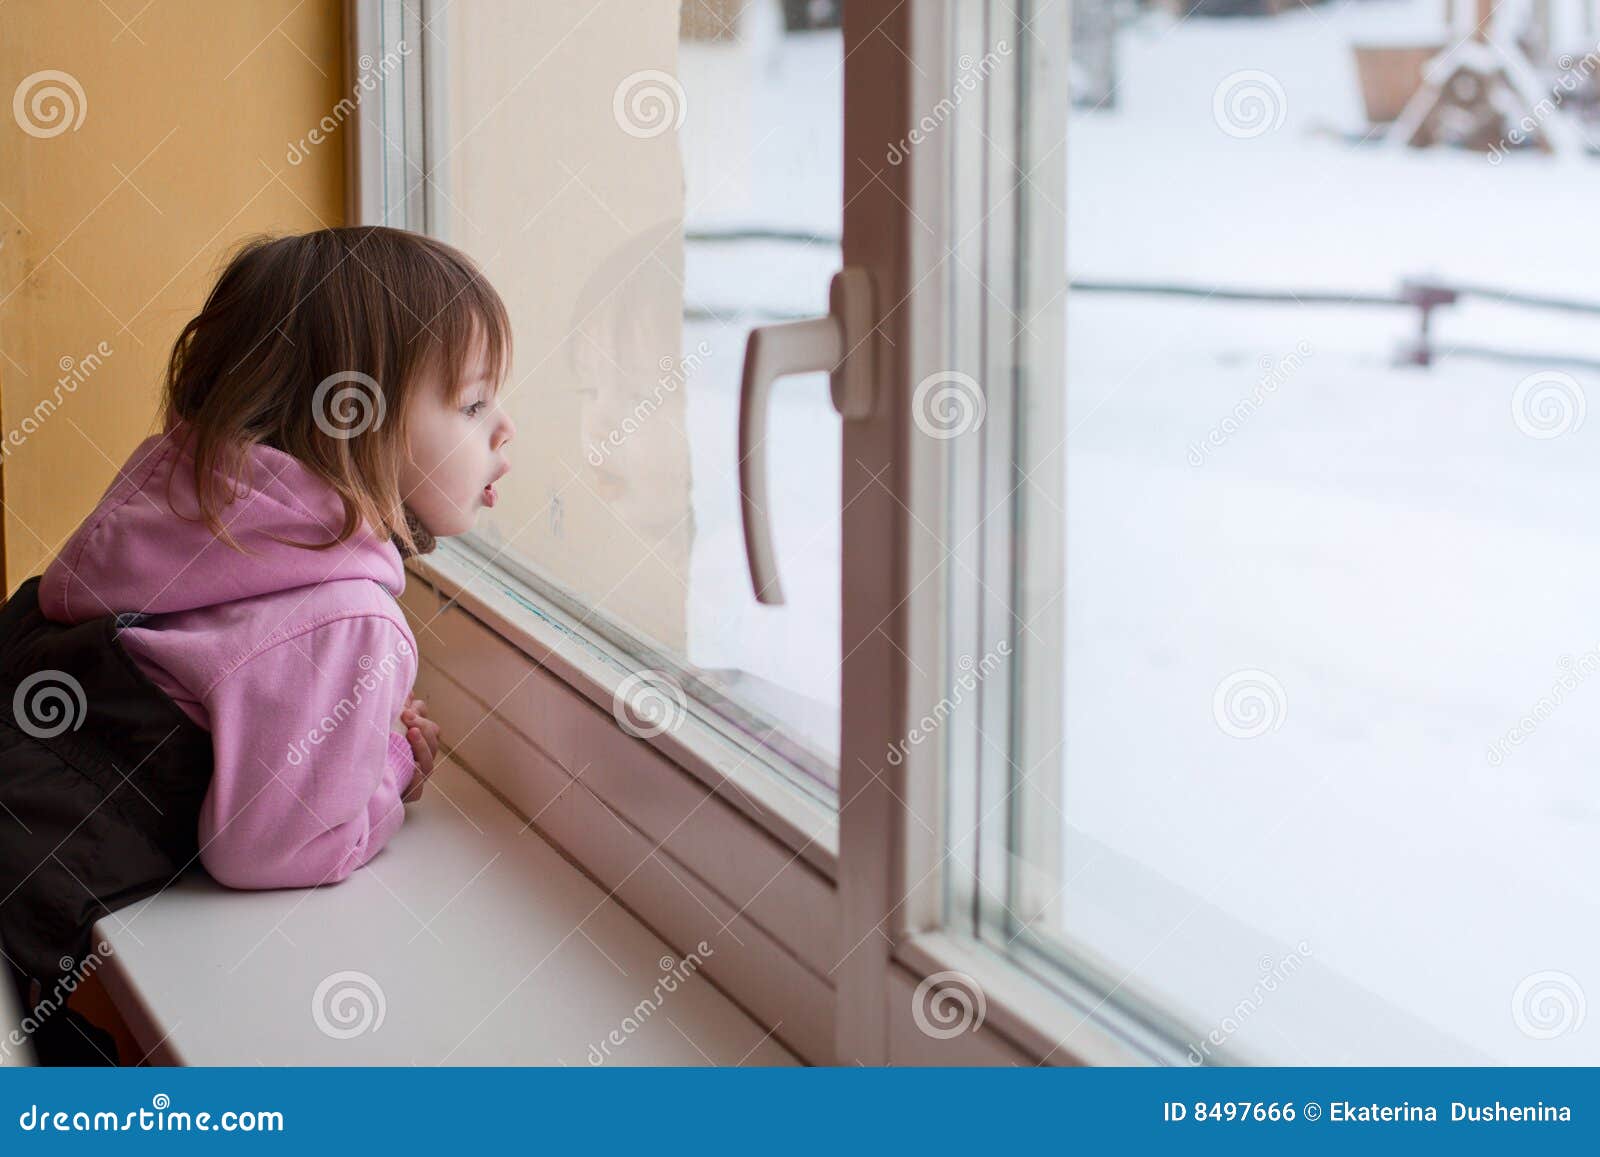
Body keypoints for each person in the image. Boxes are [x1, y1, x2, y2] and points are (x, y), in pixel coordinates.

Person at [0, 226, 515, 1063]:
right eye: (472, 403)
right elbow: (272, 847)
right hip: (37, 912)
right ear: (351, 418)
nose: (505, 430)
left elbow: (229, 668)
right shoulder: (351, 615)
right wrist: (385, 772)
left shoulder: (178, 494)